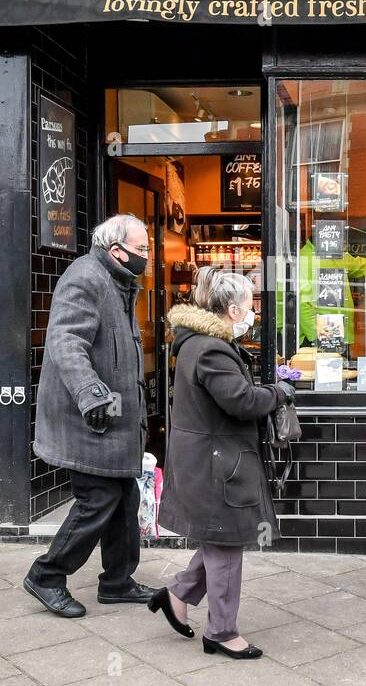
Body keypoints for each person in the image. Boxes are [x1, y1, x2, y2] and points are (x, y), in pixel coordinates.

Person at [147, 267, 294, 659]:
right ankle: (222, 631)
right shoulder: (210, 348)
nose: (252, 314)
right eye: (249, 306)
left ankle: (176, 595)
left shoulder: (201, 341)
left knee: (218, 538)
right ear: (231, 309)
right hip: (217, 464)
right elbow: (241, 401)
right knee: (227, 541)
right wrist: (278, 392)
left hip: (211, 459)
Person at [23, 214, 157, 618]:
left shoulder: (117, 281)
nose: (147, 256)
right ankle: (47, 575)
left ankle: (117, 581)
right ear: (117, 250)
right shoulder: (85, 278)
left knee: (124, 497)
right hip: (88, 419)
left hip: (110, 420)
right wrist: (91, 394)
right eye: (143, 249)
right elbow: (65, 342)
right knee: (98, 499)